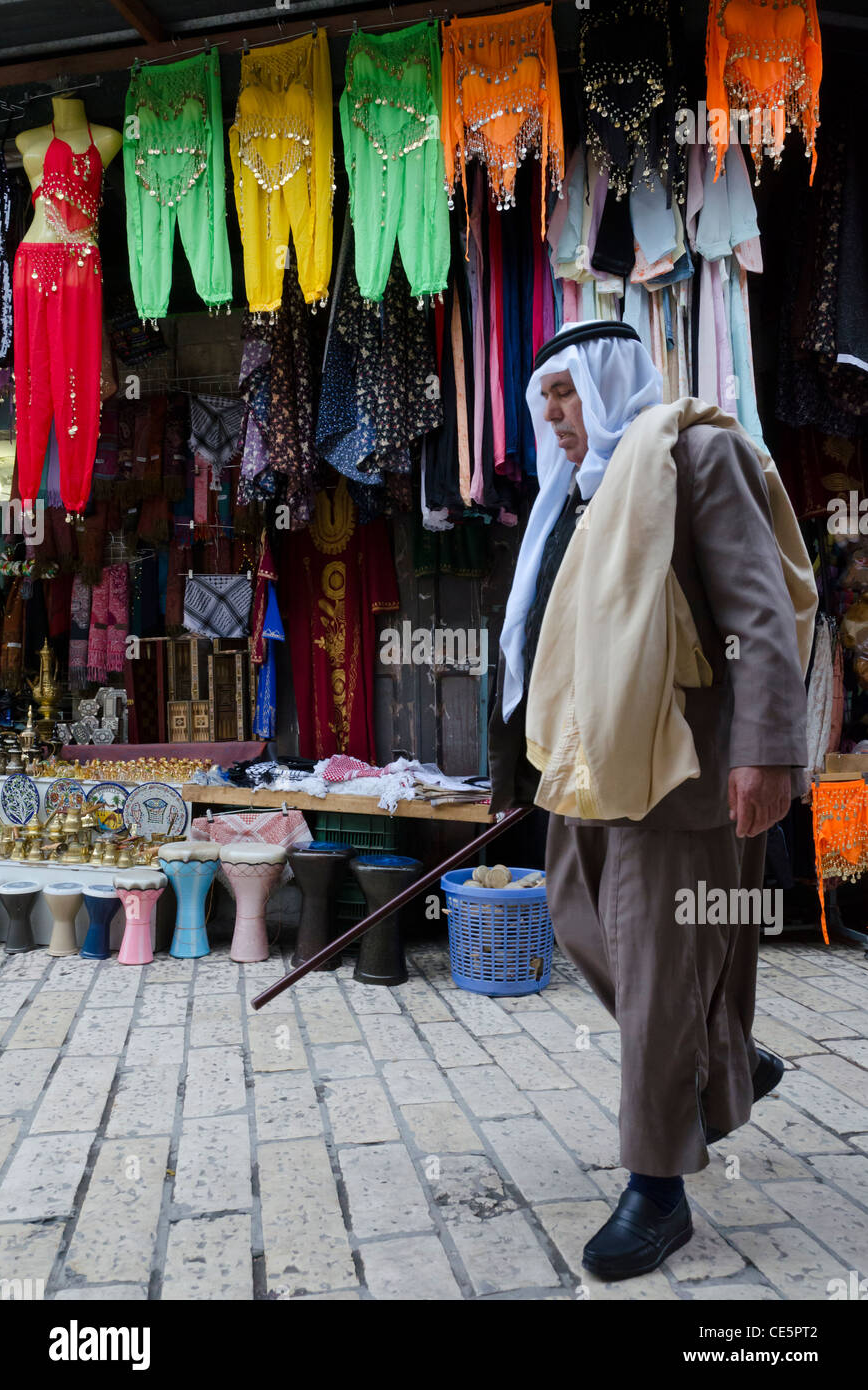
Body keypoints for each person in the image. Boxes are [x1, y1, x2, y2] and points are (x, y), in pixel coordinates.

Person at [488, 320, 817, 1281]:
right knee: (578, 912)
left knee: (659, 966)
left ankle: (656, 1188)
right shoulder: (586, 496)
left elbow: (757, 609)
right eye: (541, 398)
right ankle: (723, 1061)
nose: (552, 417)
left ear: (607, 380)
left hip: (685, 767)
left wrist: (763, 750)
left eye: (564, 394)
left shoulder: (695, 453)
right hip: (598, 765)